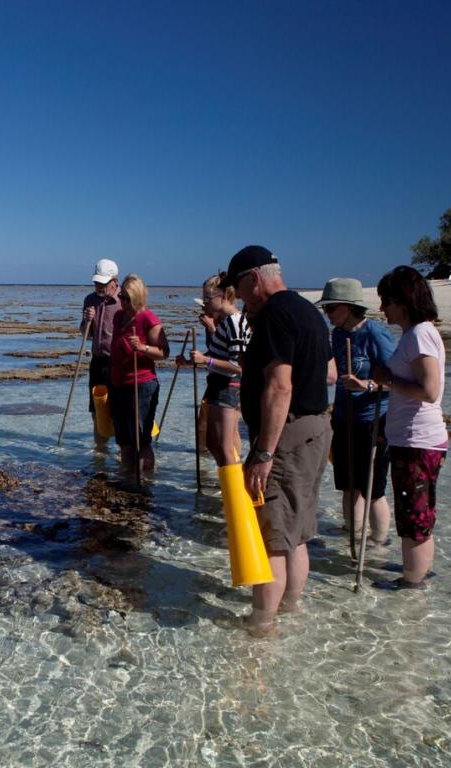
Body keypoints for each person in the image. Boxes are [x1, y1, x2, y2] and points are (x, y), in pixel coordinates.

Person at [222, 245, 336, 633]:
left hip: (286, 435)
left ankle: (261, 623)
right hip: (316, 427)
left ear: (254, 277)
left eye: (238, 288)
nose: (238, 298)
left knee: (271, 535)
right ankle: (290, 608)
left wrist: (264, 451)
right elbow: (329, 374)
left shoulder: (275, 315)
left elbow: (279, 387)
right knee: (298, 531)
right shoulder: (308, 311)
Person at [371, 266, 447, 590]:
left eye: (385, 301)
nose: (382, 309)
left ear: (402, 301)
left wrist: (387, 379)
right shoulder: (417, 334)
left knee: (413, 513)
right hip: (416, 439)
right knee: (418, 509)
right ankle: (419, 571)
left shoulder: (419, 334)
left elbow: (430, 390)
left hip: (418, 441)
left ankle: (412, 582)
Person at [316, 277, 397, 549]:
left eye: (331, 308)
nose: (327, 314)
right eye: (325, 309)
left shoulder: (375, 334)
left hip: (373, 421)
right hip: (342, 418)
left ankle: (379, 543)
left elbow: (398, 380)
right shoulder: (338, 334)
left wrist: (368, 385)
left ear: (349, 307)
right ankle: (352, 534)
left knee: (372, 488)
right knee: (348, 485)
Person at [177, 272, 250, 466]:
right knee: (213, 442)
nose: (205, 303)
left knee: (223, 445)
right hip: (218, 385)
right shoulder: (227, 322)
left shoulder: (235, 322)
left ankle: (234, 493)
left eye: (208, 298)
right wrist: (191, 362)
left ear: (224, 296)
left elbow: (239, 366)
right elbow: (219, 355)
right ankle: (225, 487)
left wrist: (205, 360)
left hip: (228, 387)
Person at [109, 273, 169, 475]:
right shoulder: (118, 316)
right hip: (118, 384)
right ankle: (127, 478)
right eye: (121, 297)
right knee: (124, 440)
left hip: (141, 385)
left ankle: (145, 481)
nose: (122, 302)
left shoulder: (148, 319)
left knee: (141, 440)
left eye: (127, 298)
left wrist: (143, 348)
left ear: (137, 298)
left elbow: (164, 352)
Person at [81, 259, 121, 446]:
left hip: (119, 364)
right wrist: (86, 320)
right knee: (96, 410)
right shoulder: (90, 300)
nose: (99, 286)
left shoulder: (124, 301)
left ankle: (124, 453)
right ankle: (100, 453)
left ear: (114, 281)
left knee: (119, 410)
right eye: (96, 282)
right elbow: (85, 334)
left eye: (103, 283)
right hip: (97, 362)